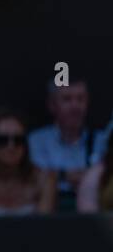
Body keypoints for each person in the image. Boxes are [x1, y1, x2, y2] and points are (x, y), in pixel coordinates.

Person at [28, 78, 111, 210]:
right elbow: (33, 176)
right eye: (67, 99)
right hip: (47, 214)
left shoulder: (103, 140)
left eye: (80, 99)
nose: (75, 106)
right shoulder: (36, 141)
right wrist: (64, 176)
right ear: (52, 105)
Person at [0, 108, 56, 215]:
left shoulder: (43, 180)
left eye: (18, 140)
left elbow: (43, 228)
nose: (11, 147)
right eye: (2, 140)